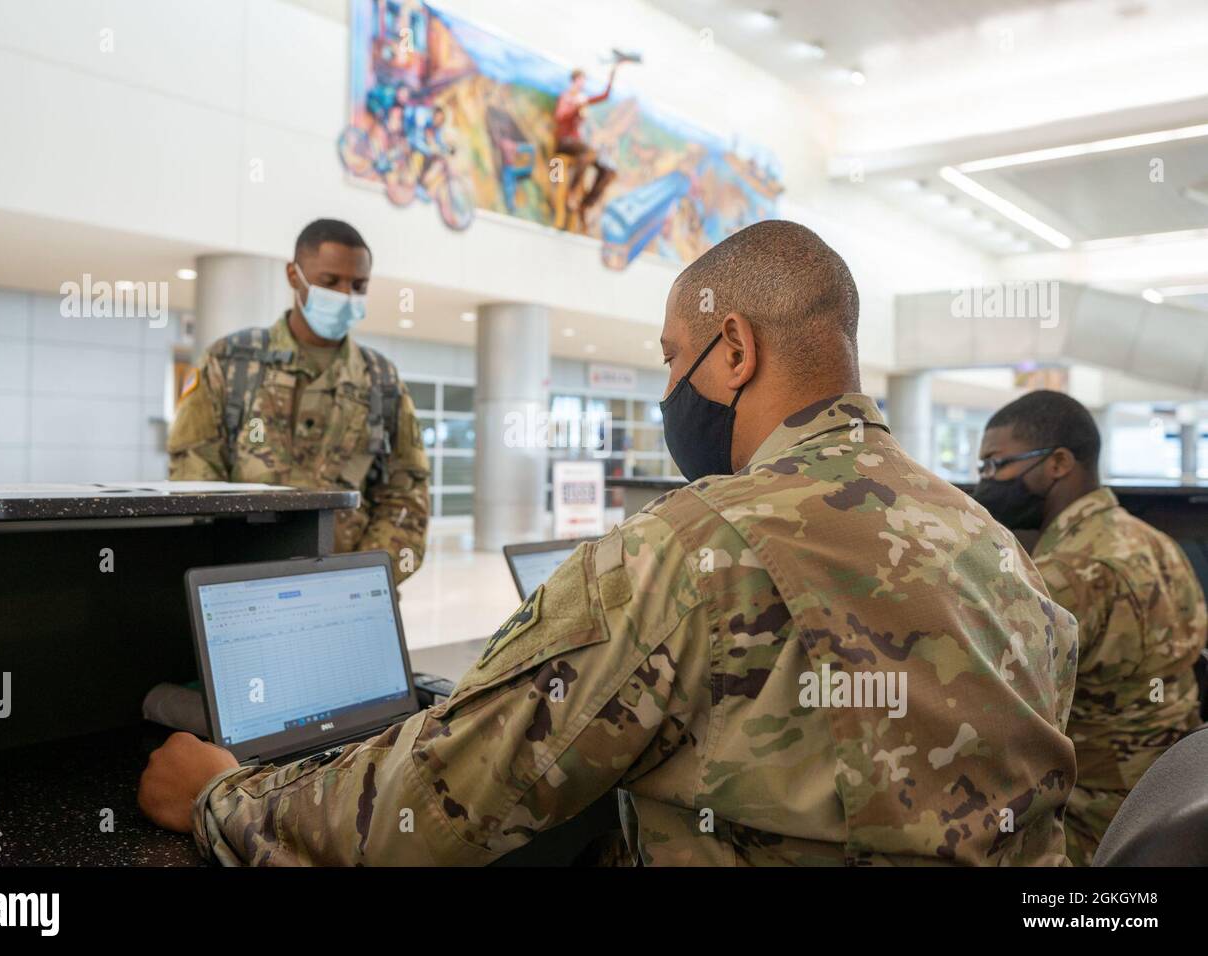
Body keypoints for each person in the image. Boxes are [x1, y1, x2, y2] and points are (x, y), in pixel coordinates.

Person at [140, 220, 1078, 866]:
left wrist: (223, 799)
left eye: (675, 356)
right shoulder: (994, 542)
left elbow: (435, 804)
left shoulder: (687, 549)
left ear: (735, 350)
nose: (671, 383)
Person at [974, 389, 1207, 865]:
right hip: (1164, 792)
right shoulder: (1155, 541)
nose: (987, 482)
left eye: (997, 464)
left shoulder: (1068, 571)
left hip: (1093, 817)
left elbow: (995, 708)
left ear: (1059, 462)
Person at [167, 218, 430, 584]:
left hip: (354, 595)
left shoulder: (381, 380)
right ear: (294, 275)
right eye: (330, 281)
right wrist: (230, 573)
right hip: (244, 590)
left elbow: (408, 496)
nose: (346, 295)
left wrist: (364, 577)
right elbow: (193, 476)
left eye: (358, 285)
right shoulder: (230, 362)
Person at [554, 63, 621, 232]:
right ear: (574, 81)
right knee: (589, 152)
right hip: (566, 142)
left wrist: (612, 76)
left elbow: (604, 96)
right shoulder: (567, 98)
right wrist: (576, 107)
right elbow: (560, 117)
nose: (582, 84)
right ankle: (573, 191)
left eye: (584, 81)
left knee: (609, 171)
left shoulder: (582, 99)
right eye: (580, 81)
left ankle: (585, 204)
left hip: (581, 148)